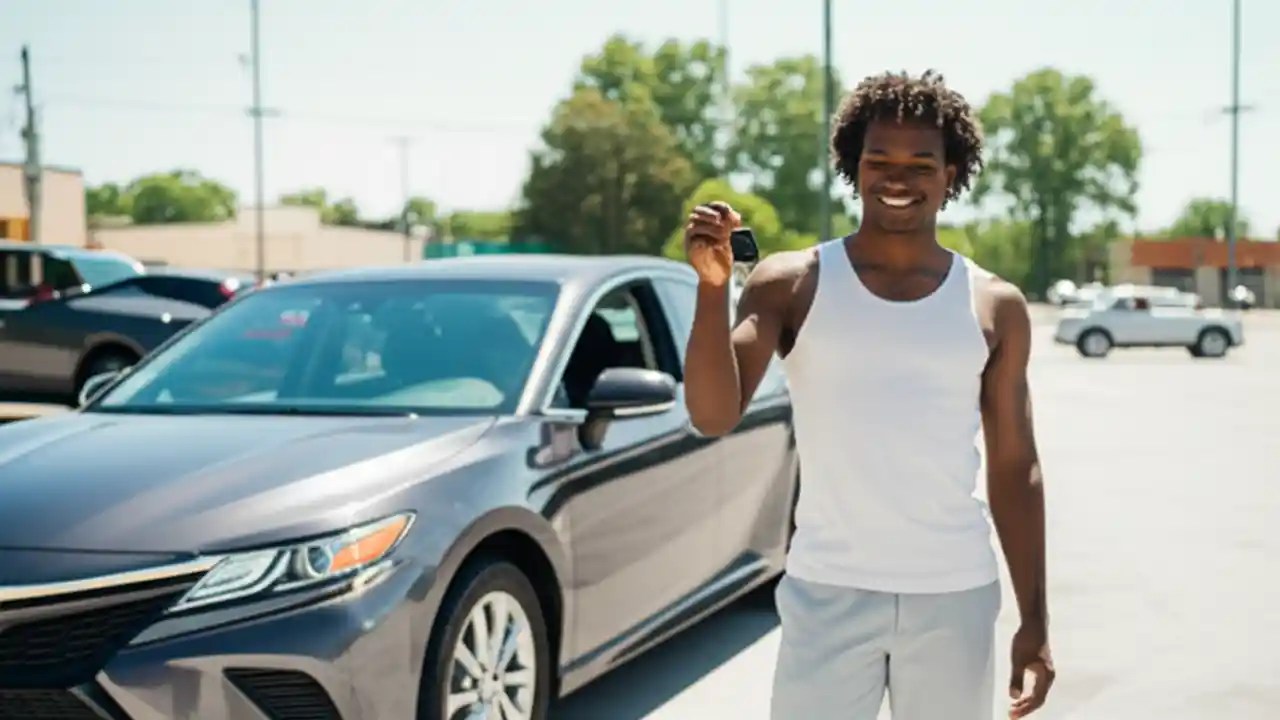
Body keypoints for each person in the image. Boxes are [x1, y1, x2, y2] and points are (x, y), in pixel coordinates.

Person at [681, 69, 1053, 719]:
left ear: (953, 170)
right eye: (878, 159)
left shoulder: (995, 305)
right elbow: (713, 415)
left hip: (954, 593)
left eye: (920, 162)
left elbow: (1015, 469)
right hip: (827, 589)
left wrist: (1036, 620)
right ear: (853, 164)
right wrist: (712, 290)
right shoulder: (789, 283)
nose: (897, 178)